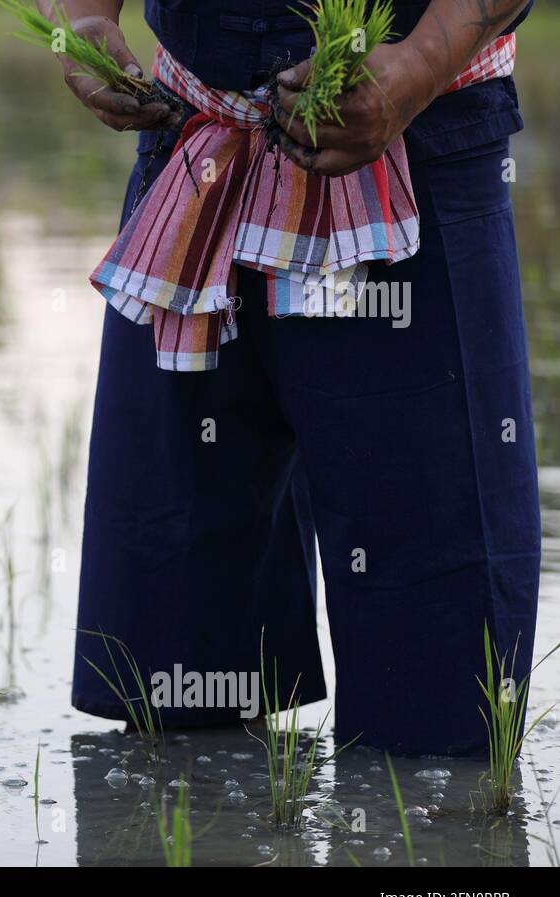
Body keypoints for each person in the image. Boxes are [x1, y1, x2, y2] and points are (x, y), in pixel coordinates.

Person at [54, 0, 540, 757]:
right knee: (171, 690)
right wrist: (79, 25)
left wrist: (411, 69)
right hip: (192, 148)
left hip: (417, 150)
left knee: (440, 714)